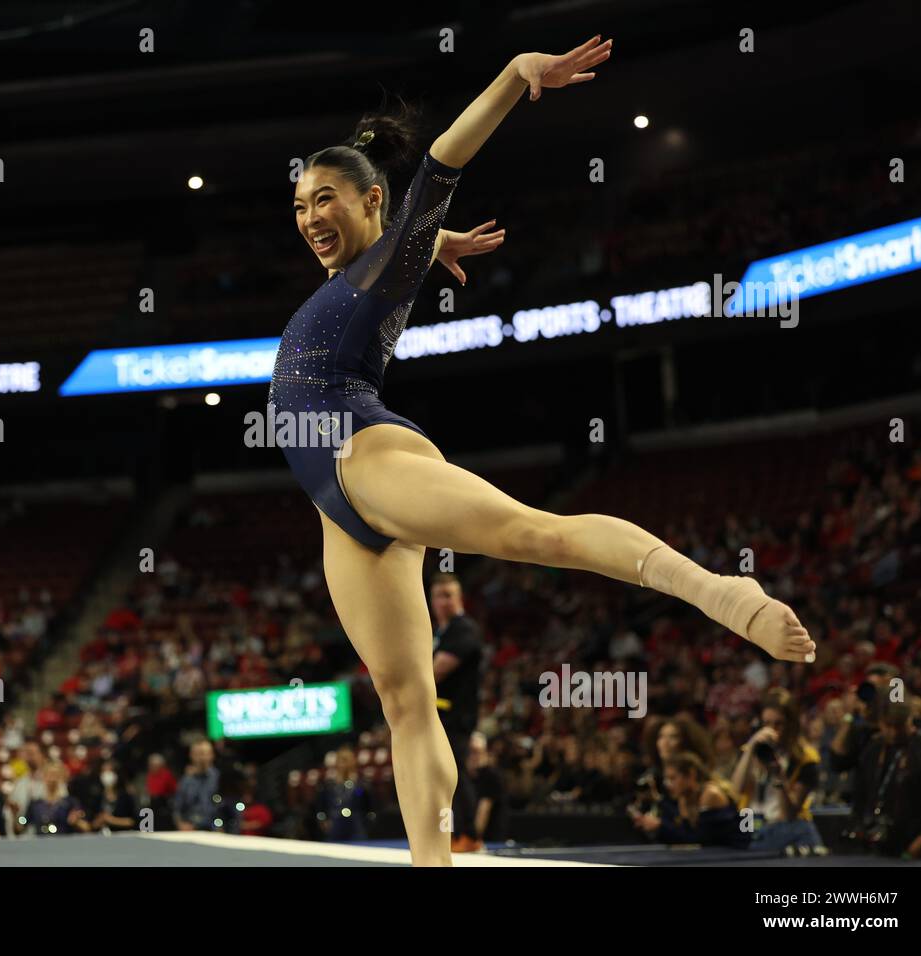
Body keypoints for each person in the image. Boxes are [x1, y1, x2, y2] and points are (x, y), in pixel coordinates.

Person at [268, 36, 814, 866]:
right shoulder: (376, 265)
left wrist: (512, 77)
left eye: (327, 199)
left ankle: (717, 591)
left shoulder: (392, 245)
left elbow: (441, 165)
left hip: (364, 451)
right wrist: (425, 251)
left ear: (372, 198)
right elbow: (390, 263)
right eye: (301, 204)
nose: (310, 217)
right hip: (335, 509)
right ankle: (433, 862)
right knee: (406, 702)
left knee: (537, 534)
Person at [428, 573, 484, 851]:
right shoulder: (441, 633)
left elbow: (434, 672)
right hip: (439, 717)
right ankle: (451, 833)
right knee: (442, 775)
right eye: (439, 596)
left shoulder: (463, 630)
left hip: (456, 717)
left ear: (459, 597)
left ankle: (469, 835)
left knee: (456, 774)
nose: (444, 602)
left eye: (449, 595)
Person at [730, 690, 823, 852]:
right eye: (766, 724)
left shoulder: (805, 758)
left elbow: (789, 814)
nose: (771, 730)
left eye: (778, 724)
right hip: (750, 823)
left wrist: (779, 777)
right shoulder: (749, 751)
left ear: (791, 725)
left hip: (785, 829)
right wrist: (751, 747)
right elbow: (736, 790)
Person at [847, 702, 921, 858]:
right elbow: (861, 793)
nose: (893, 732)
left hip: (913, 847)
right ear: (880, 722)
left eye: (899, 726)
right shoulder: (874, 749)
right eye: (888, 726)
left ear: (909, 721)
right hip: (876, 845)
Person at [631, 751, 750, 849]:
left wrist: (660, 825)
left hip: (738, 853)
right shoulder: (684, 798)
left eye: (673, 778)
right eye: (666, 779)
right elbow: (684, 835)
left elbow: (698, 839)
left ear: (691, 775)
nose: (668, 784)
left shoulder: (710, 795)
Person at [173, 739, 225, 832]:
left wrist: (222, 826)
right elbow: (177, 807)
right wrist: (180, 824)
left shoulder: (220, 779)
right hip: (192, 830)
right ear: (191, 755)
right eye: (199, 753)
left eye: (206, 753)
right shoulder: (186, 781)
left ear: (212, 755)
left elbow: (227, 808)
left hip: (215, 830)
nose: (203, 758)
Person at [24, 760, 88, 835]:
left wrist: (77, 822)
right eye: (50, 774)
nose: (53, 779)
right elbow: (20, 828)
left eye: (56, 775)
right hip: (40, 844)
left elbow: (87, 827)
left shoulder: (70, 802)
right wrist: (15, 816)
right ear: (44, 777)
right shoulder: (35, 804)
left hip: (63, 843)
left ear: (62, 778)